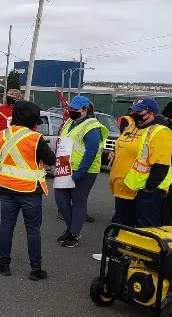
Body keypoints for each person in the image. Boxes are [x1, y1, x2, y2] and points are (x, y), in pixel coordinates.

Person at [0, 100, 56, 280]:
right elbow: (51, 160)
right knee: (32, 229)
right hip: (30, 190)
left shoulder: (2, 134)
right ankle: (36, 269)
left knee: (6, 226)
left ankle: (4, 264)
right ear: (33, 121)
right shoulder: (35, 138)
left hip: (6, 187)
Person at [108, 98, 172, 228]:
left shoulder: (160, 132)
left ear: (151, 113)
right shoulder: (132, 127)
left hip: (143, 192)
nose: (135, 114)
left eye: (139, 111)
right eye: (134, 111)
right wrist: (115, 153)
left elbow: (161, 165)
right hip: (123, 188)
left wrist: (149, 188)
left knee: (143, 230)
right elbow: (124, 146)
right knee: (121, 228)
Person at [55, 96, 109, 248]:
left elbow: (91, 152)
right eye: (70, 109)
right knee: (61, 199)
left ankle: (73, 234)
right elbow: (62, 143)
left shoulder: (92, 126)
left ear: (85, 110)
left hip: (84, 170)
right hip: (65, 167)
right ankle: (71, 228)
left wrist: (80, 172)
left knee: (78, 200)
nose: (72, 112)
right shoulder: (69, 122)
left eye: (75, 110)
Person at [0, 89, 21, 200]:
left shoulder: (22, 111)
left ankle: (13, 190)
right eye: (9, 96)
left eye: (13, 97)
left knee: (14, 170)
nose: (10, 98)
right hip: (1, 147)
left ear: (19, 98)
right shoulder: (0, 110)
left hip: (17, 148)